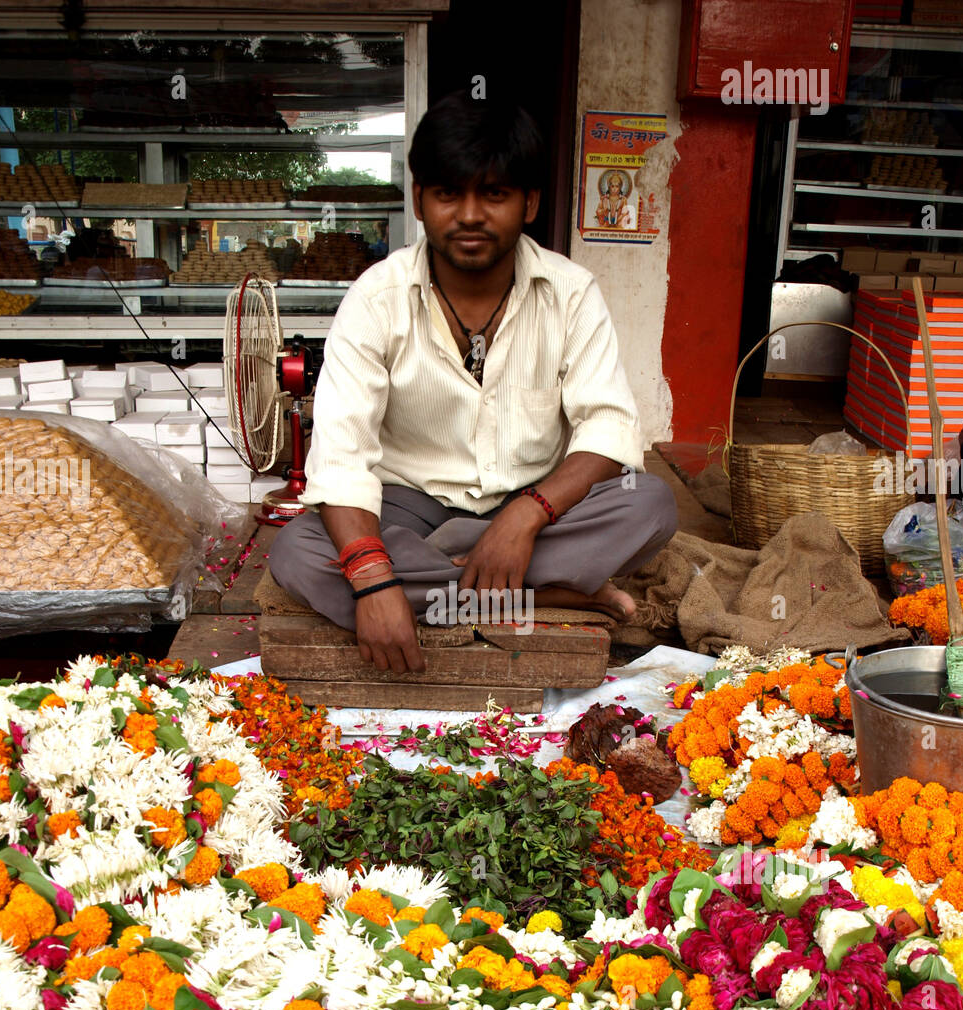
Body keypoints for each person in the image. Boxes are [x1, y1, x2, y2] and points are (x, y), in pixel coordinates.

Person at [269, 91, 676, 676]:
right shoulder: (376, 299)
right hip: (406, 509)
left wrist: (525, 516)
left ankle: (455, 585)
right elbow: (341, 458)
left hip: (533, 506)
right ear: (418, 200)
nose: (469, 215)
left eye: (494, 194)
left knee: (652, 505)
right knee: (299, 551)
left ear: (529, 201)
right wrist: (371, 576)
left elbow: (608, 425)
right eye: (447, 193)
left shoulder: (570, 292)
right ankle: (537, 595)